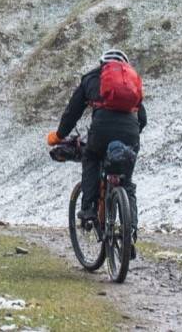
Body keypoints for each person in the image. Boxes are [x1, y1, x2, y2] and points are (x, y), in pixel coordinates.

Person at [47, 48, 146, 225]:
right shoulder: (131, 83)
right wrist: (131, 137)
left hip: (101, 130)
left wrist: (59, 135)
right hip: (130, 133)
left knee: (91, 157)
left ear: (102, 64)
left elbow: (73, 112)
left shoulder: (92, 77)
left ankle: (88, 209)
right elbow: (143, 119)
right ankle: (130, 233)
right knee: (127, 183)